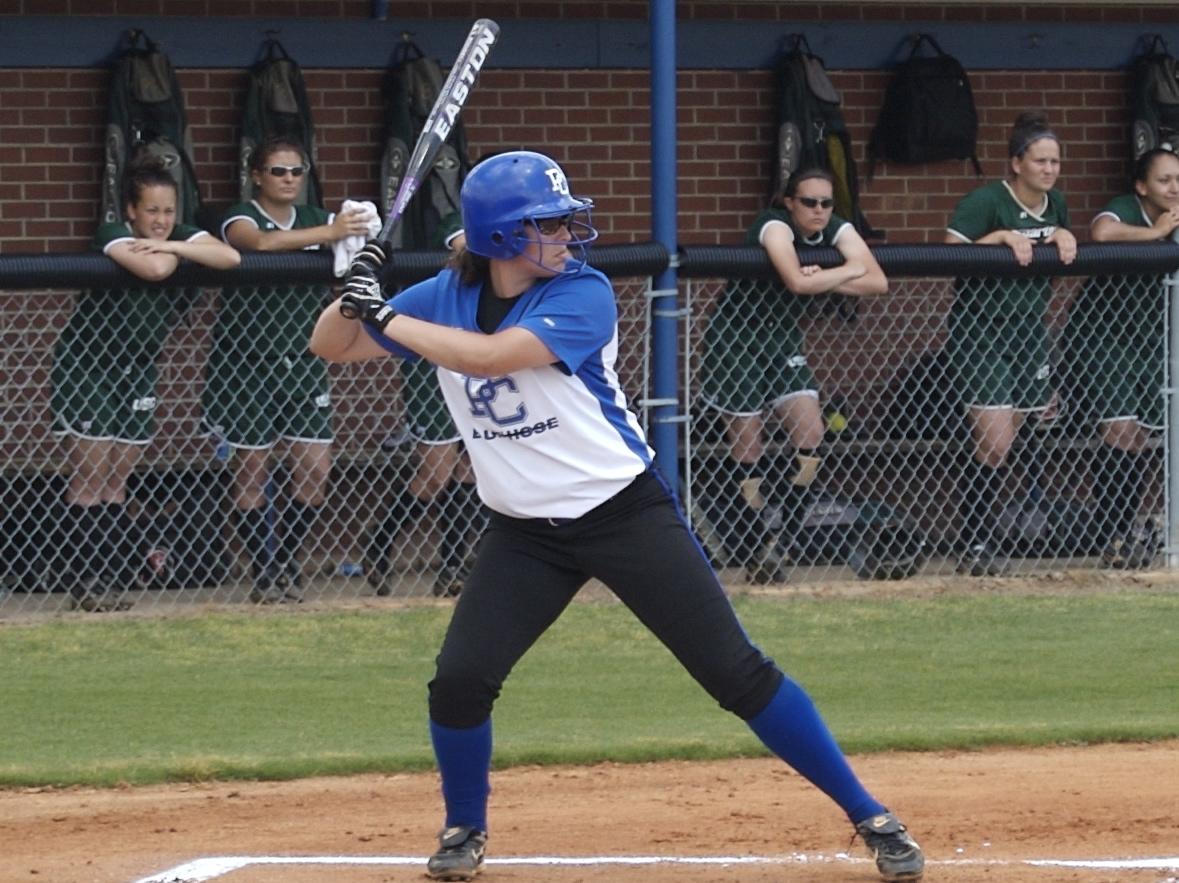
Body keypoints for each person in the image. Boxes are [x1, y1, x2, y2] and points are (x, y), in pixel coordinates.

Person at [310, 151, 924, 883]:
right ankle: (463, 827)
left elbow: (492, 357)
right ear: (500, 237)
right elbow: (331, 344)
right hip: (523, 534)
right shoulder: (441, 295)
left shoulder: (582, 293)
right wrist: (353, 293)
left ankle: (869, 814)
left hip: (621, 513)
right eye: (548, 223)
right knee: (460, 680)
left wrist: (384, 310)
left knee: (735, 673)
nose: (569, 233)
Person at [51, 156, 240, 612]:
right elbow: (152, 272)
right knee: (91, 476)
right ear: (131, 212)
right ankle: (85, 580)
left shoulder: (177, 238)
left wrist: (177, 247)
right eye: (151, 212)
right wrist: (172, 254)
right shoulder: (111, 233)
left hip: (138, 368)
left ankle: (112, 580)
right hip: (89, 368)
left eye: (168, 211)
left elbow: (229, 256)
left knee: (118, 479)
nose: (160, 221)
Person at [202, 136, 374, 604]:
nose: (289, 180)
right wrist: (331, 233)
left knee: (315, 472)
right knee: (252, 470)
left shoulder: (320, 218)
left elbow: (349, 263)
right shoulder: (242, 214)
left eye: (297, 172)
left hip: (303, 361)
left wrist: (355, 233)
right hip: (246, 364)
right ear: (258, 175)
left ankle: (286, 561)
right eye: (279, 172)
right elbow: (257, 243)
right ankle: (264, 573)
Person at [700, 168, 887, 583]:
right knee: (748, 445)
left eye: (826, 203)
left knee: (811, 432)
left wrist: (826, 276)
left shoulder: (835, 228)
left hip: (783, 339)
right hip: (736, 338)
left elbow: (877, 280)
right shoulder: (774, 225)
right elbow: (795, 281)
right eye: (809, 202)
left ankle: (782, 537)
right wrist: (843, 272)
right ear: (790, 202)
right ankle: (755, 549)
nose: (819, 211)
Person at [944, 111, 1077, 576]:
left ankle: (980, 539)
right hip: (983, 328)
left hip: (1030, 329)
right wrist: (1000, 237)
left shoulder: (1056, 203)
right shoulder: (986, 201)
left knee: (1013, 435)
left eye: (1055, 162)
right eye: (1040, 161)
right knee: (995, 441)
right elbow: (949, 252)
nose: (1049, 169)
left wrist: (1062, 233)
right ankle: (974, 540)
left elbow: (1059, 239)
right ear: (1017, 163)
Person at [1062, 147, 1179, 567]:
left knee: (1142, 435)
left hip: (1151, 342)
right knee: (1120, 430)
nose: (1173, 188)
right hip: (1102, 337)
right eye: (1164, 180)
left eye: (1178, 180)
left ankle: (1123, 530)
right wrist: (1155, 233)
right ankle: (1112, 532)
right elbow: (1102, 233)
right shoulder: (1125, 208)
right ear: (1142, 185)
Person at [363, 213, 489, 598]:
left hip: (480, 354)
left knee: (471, 465)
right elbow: (465, 247)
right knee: (436, 472)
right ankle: (379, 542)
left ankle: (451, 565)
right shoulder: (460, 221)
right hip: (435, 356)